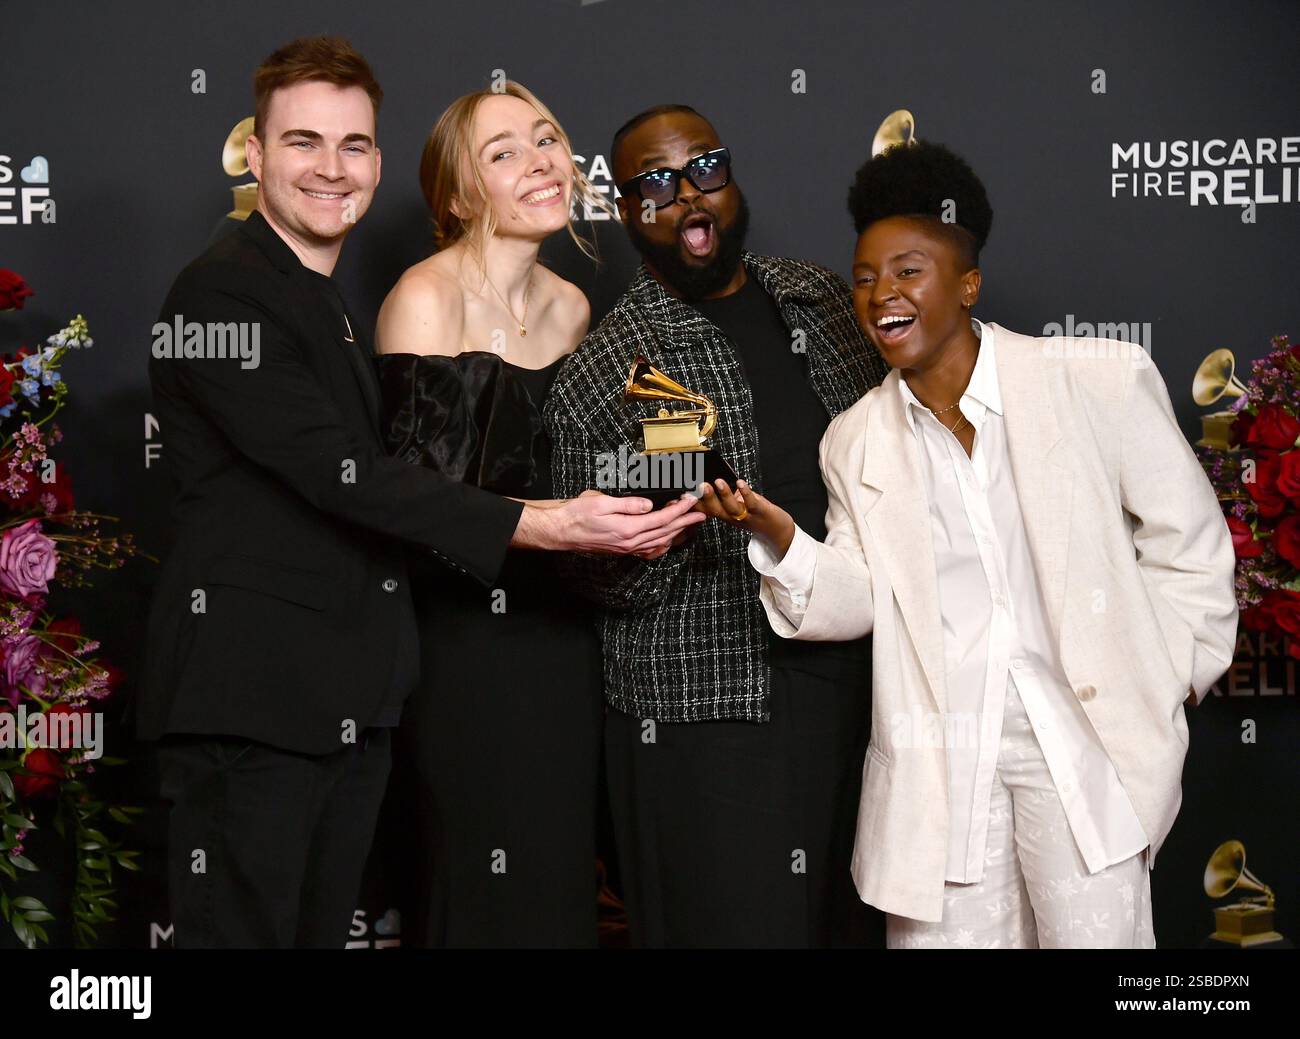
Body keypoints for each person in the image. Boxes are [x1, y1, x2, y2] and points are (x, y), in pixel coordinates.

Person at [140, 37, 700, 949]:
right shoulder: (222, 295)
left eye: (354, 145)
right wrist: (547, 521)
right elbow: (340, 474)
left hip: (350, 700)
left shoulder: (324, 307)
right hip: (254, 697)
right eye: (304, 143)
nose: (332, 168)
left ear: (379, 163)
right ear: (254, 154)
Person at [696, 140, 1238, 948]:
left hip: (1082, 750)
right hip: (939, 766)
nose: (882, 293)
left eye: (908, 270)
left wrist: (1163, 678)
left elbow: (1191, 546)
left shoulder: (1094, 378)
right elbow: (862, 596)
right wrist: (783, 540)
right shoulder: (856, 439)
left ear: (968, 284)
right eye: (866, 277)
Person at [545, 104, 889, 947]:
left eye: (705, 168)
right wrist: (682, 526)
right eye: (655, 184)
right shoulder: (610, 369)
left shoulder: (818, 301)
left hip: (864, 688)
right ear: (626, 211)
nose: (688, 197)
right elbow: (590, 571)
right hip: (708, 715)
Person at [373, 82, 630, 947]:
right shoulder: (423, 298)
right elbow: (421, 505)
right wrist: (560, 520)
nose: (540, 161)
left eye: (547, 138)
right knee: (474, 879)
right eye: (503, 152)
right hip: (458, 642)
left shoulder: (572, 307)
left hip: (562, 638)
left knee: (557, 880)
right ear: (456, 196)